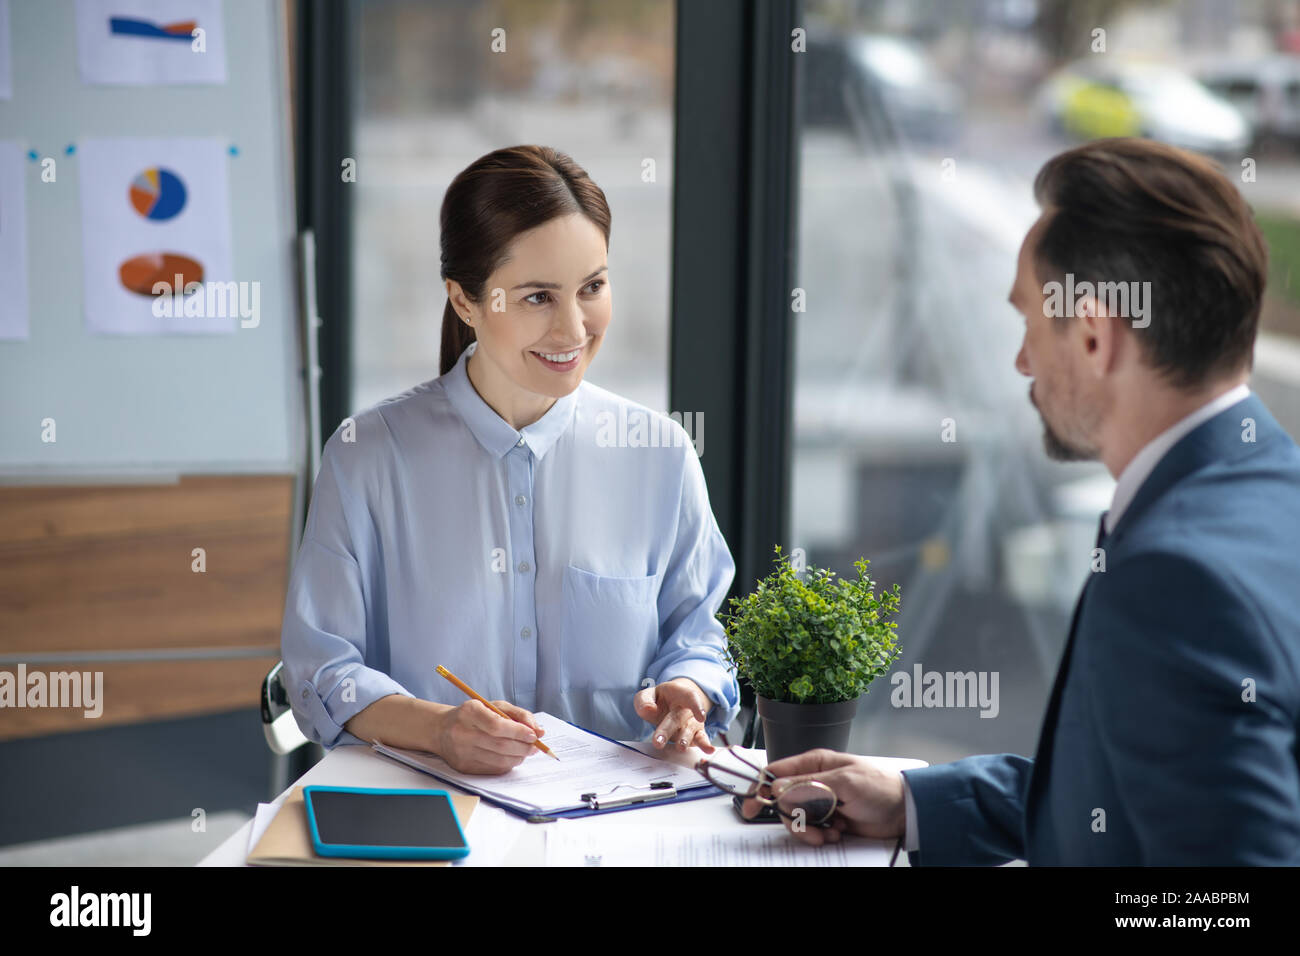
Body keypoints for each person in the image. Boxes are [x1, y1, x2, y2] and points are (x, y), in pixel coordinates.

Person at [745, 137, 1300, 865]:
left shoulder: (1177, 578)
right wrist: (917, 802)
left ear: (1097, 337)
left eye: (1029, 322)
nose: (1021, 361)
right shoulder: (1271, 489)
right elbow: (1146, 791)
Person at [281, 145, 739, 774]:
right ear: (466, 301)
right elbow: (322, 669)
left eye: (593, 287)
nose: (575, 329)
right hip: (434, 816)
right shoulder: (368, 456)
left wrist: (686, 690)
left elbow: (695, 634)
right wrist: (439, 729)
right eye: (536, 297)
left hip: (613, 824)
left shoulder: (660, 454)